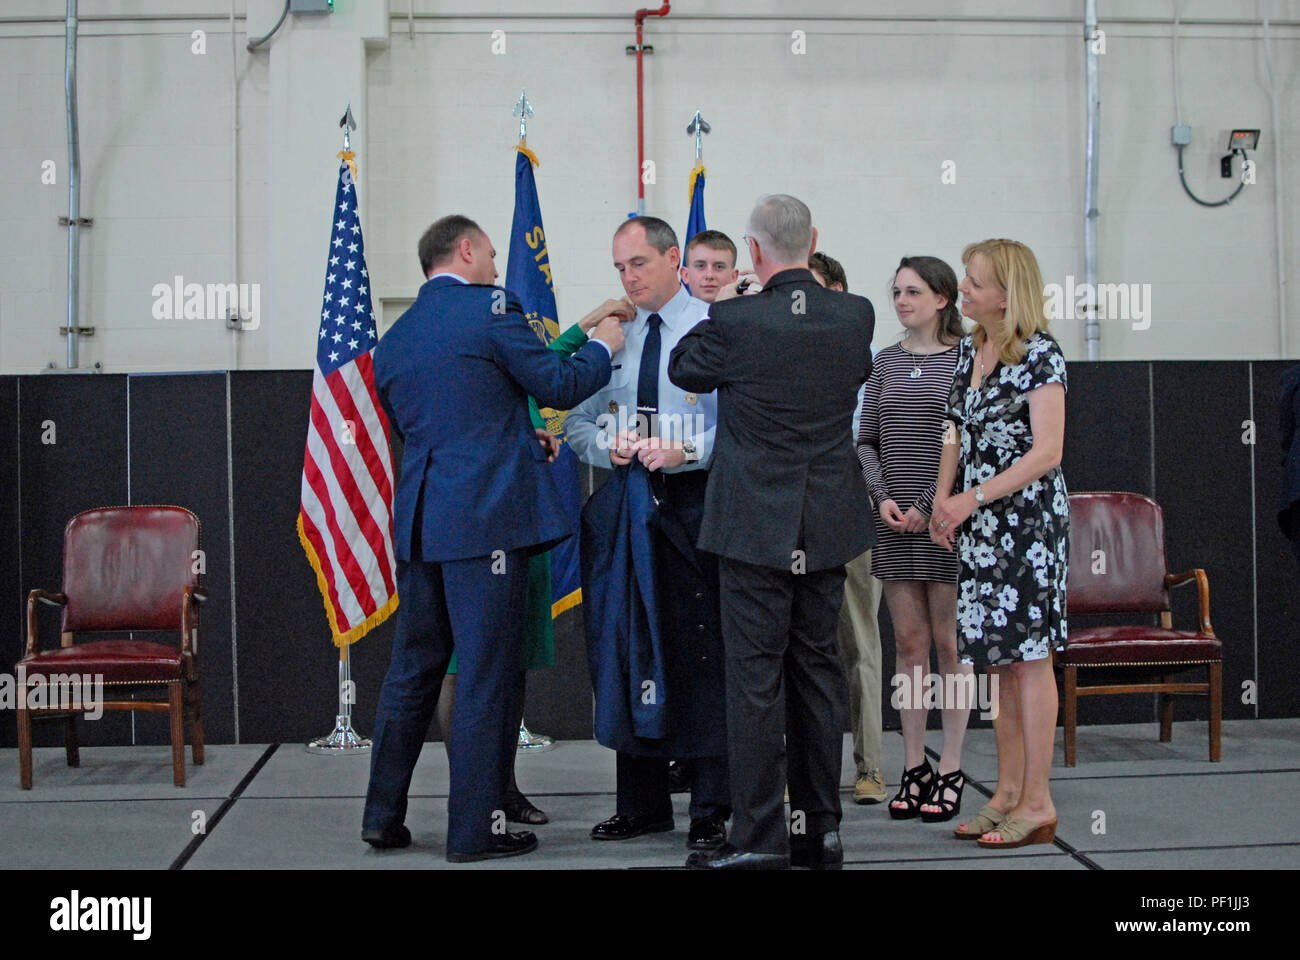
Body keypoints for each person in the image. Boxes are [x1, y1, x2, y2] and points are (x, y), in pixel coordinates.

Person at [361, 214, 625, 862]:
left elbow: (430, 424)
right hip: (485, 524)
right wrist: (604, 346)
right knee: (484, 674)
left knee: (412, 672)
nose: (499, 271)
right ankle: (474, 832)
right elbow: (556, 383)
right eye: (490, 258)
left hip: (424, 521)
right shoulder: (491, 307)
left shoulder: (393, 339)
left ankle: (381, 816)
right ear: (467, 249)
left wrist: (512, 436)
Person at [670, 194, 875, 869]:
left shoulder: (734, 318)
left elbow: (686, 368)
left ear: (754, 252)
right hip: (825, 523)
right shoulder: (854, 315)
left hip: (754, 527)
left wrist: (722, 300)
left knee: (755, 681)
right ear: (814, 242)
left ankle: (758, 838)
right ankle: (823, 829)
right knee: (818, 672)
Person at [433, 296, 635, 826]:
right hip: (479, 537)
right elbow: (552, 378)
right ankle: (474, 792)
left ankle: (503, 786)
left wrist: (584, 325)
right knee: (466, 667)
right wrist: (594, 339)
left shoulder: (510, 367)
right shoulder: (474, 367)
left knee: (512, 665)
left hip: (525, 532)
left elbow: (545, 370)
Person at [567, 215, 731, 852]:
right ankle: (641, 803)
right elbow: (577, 419)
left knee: (701, 652)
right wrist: (614, 447)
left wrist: (683, 450)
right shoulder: (616, 334)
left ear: (673, 260)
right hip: (628, 501)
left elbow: (740, 426)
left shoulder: (715, 329)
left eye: (637, 264)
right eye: (618, 268)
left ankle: (711, 804)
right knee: (626, 646)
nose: (627, 278)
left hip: (697, 505)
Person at [929, 238, 1068, 849]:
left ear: (1008, 295)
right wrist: (942, 496)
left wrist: (973, 498)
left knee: (1031, 661)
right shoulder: (971, 351)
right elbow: (954, 432)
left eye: (975, 282)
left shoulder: (1041, 354)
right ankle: (1007, 792)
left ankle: (1038, 799)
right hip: (981, 526)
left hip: (1028, 527)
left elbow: (1047, 452)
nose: (964, 290)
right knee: (1001, 665)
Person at [857, 256, 968, 822]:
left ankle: (950, 764)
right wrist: (882, 499)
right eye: (897, 292)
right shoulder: (884, 363)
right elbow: (867, 441)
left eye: (914, 292)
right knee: (909, 646)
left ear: (943, 298)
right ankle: (912, 764)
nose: (902, 301)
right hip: (893, 521)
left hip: (947, 524)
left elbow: (966, 443)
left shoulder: (964, 363)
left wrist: (930, 506)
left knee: (950, 647)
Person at [809, 251, 887, 806]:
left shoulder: (872, 365)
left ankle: (871, 767)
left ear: (838, 290)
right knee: (797, 651)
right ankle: (801, 775)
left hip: (857, 510)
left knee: (859, 641)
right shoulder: (783, 354)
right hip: (799, 516)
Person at [667, 228, 739, 795]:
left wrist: (689, 451)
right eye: (701, 265)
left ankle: (729, 775)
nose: (710, 275)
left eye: (721, 265)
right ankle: (683, 756)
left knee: (725, 642)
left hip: (731, 499)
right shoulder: (654, 329)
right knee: (674, 638)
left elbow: (743, 424)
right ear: (683, 270)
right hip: (665, 498)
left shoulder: (742, 329)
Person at [680, 229, 740, 303]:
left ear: (734, 276)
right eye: (701, 266)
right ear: (686, 275)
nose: (709, 275)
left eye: (719, 267)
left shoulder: (751, 313)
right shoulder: (669, 314)